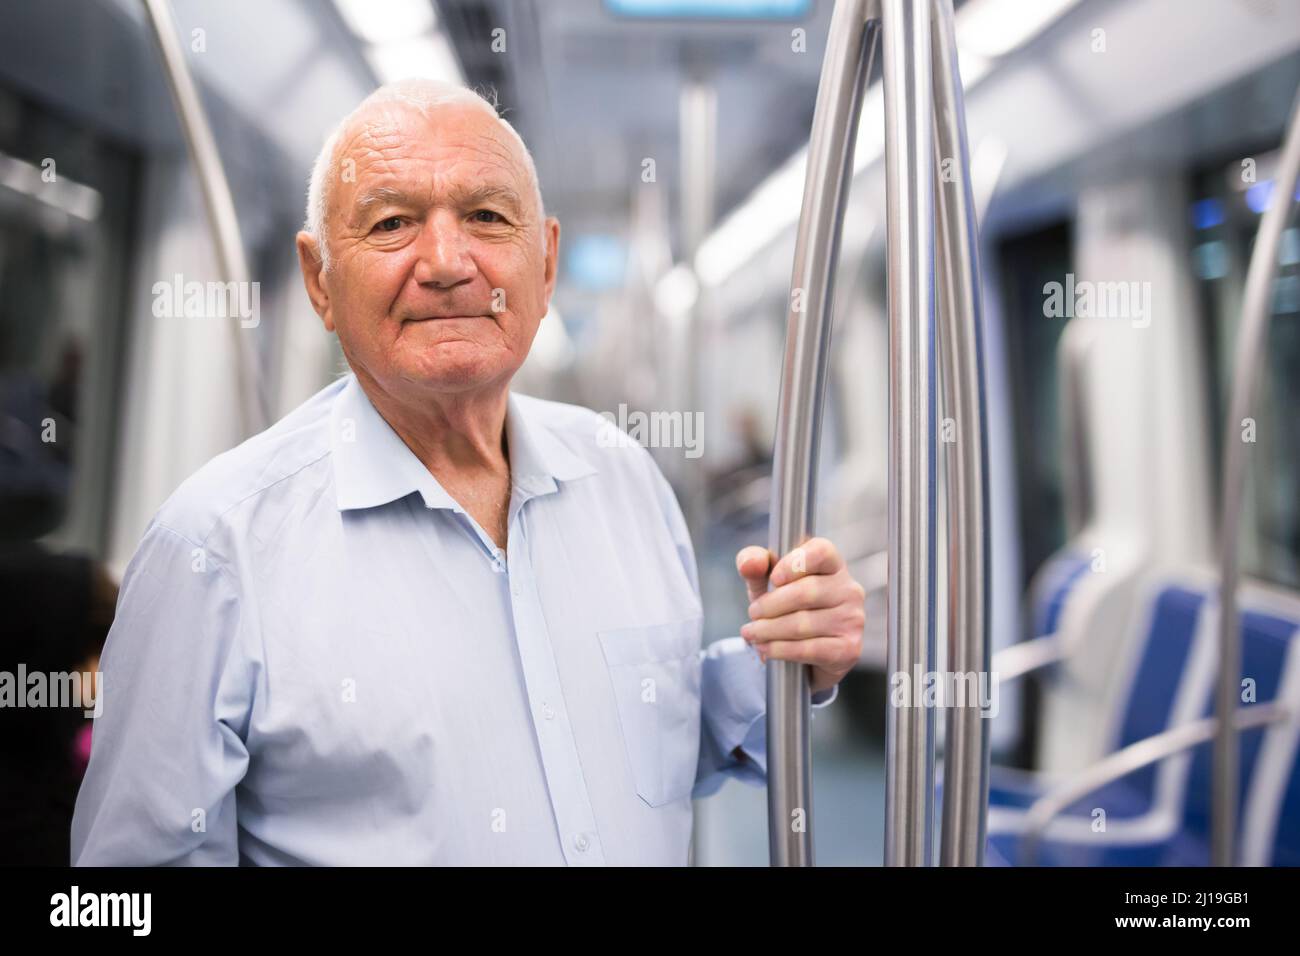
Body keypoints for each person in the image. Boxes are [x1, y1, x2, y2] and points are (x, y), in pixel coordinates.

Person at [71, 79, 865, 865]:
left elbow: (626, 753)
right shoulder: (215, 546)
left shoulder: (623, 478)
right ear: (319, 280)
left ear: (545, 263)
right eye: (391, 223)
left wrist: (783, 661)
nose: (448, 263)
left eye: (487, 217)